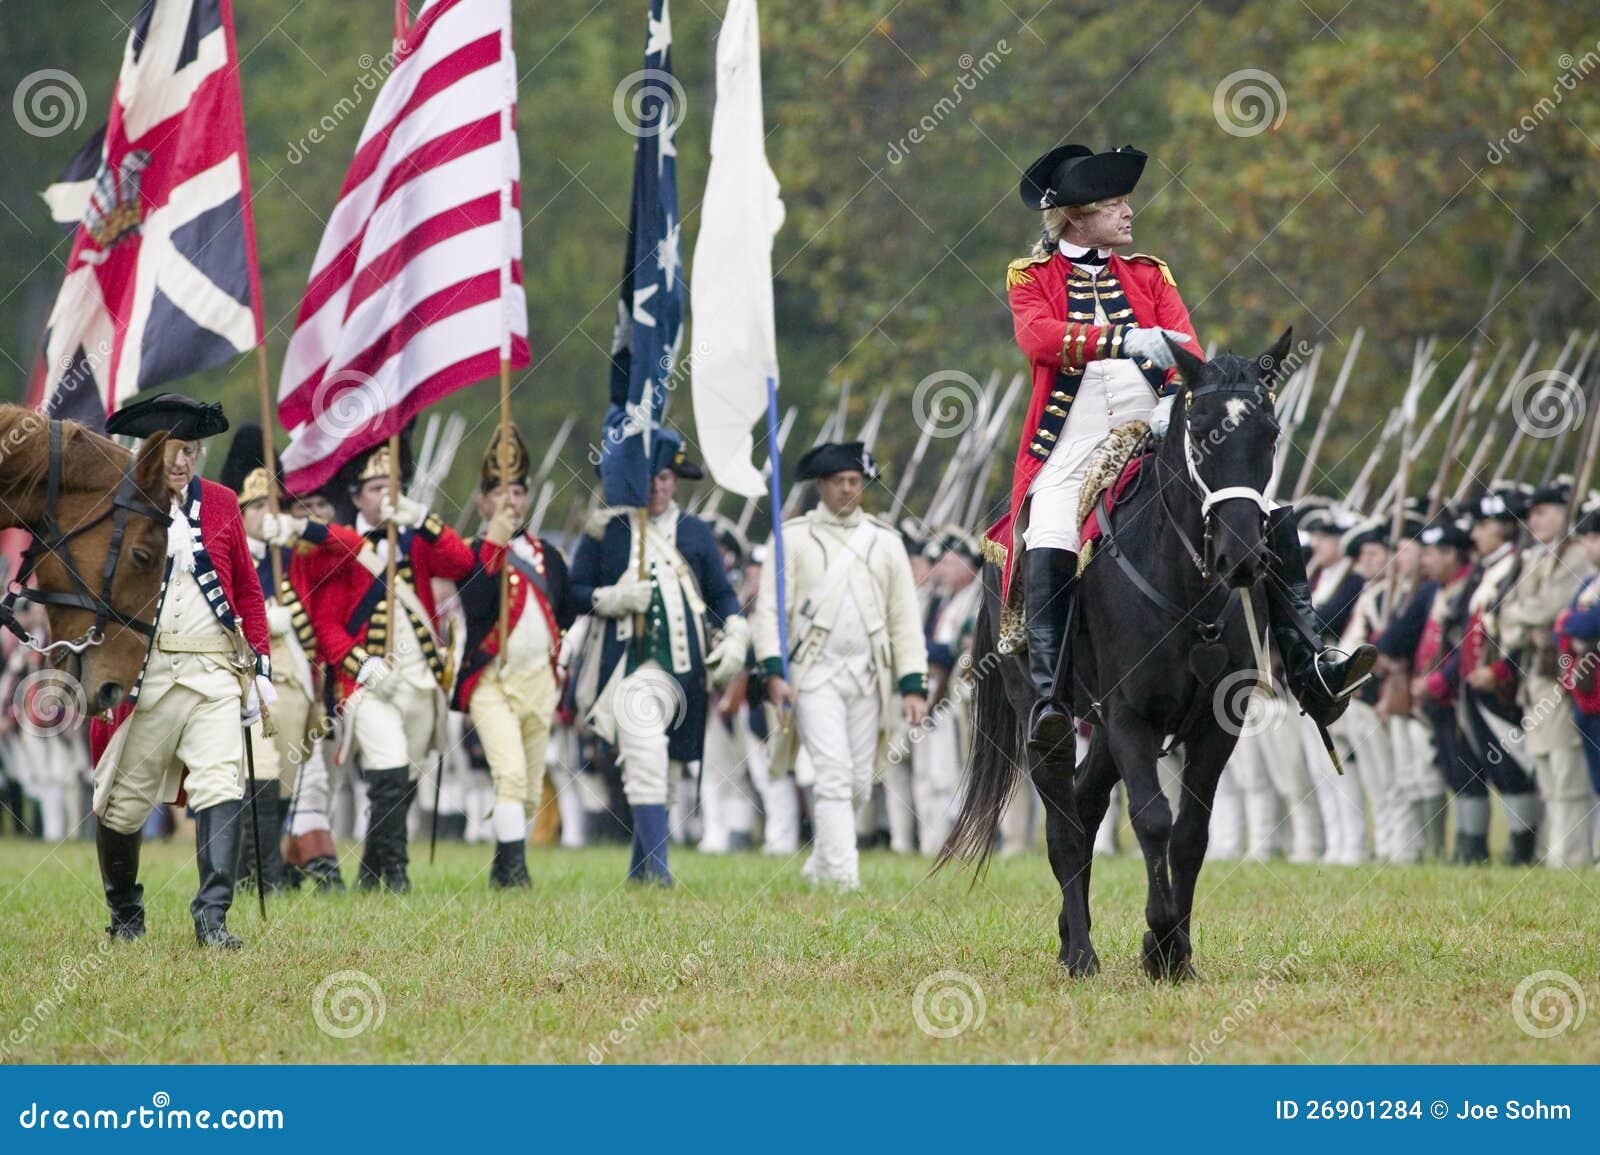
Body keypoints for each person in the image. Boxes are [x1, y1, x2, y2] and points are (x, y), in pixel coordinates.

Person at [992, 142, 1375, 763]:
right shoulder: (1032, 279)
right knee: (1053, 528)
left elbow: (1186, 350)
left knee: (1264, 508)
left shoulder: (1150, 274)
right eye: (1113, 203)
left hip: (1155, 427)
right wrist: (1125, 338)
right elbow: (1039, 340)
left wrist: (1176, 398)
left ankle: (1311, 668)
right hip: (1073, 438)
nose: (1127, 212)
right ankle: (1049, 699)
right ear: (1076, 215)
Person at [88, 394, 271, 948]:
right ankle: (125, 911)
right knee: (122, 804)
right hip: (148, 675)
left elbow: (246, 589)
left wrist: (259, 666)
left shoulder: (221, 503)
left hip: (214, 668)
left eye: (189, 450)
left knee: (221, 784)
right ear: (150, 452)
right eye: (171, 449)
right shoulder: (122, 504)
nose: (181, 461)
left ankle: (212, 919)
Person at [569, 432, 749, 886]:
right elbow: (570, 593)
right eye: (646, 476)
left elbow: (722, 594)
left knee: (664, 772)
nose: (656, 486)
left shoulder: (695, 532)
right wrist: (608, 598)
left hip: (685, 674)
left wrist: (737, 630)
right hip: (625, 671)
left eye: (665, 476)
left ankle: (640, 872)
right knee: (644, 748)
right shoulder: (605, 530)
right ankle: (662, 875)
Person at [296, 443, 475, 893]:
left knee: (402, 780)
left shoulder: (414, 538)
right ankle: (397, 875)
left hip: (419, 679)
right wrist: (361, 662)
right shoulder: (339, 545)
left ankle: (371, 875)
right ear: (356, 497)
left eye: (393, 486)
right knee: (389, 764)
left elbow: (461, 562)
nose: (386, 495)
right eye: (377, 488)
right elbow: (328, 624)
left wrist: (424, 518)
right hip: (366, 684)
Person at [754, 441, 929, 889]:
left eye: (854, 481)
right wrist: (774, 672)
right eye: (839, 482)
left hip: (869, 675)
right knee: (830, 773)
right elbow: (771, 610)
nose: (848, 490)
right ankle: (844, 876)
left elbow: (904, 617)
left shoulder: (886, 542)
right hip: (813, 673)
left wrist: (913, 683)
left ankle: (821, 863)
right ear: (822, 485)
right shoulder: (791, 537)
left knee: (857, 781)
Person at [452, 426, 577, 887]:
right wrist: (493, 545)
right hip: (492, 682)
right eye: (500, 491)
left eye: (519, 491)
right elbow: (477, 604)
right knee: (508, 773)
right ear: (484, 501)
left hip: (538, 680)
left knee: (527, 789)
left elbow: (566, 609)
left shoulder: (550, 556)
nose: (511, 500)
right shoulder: (470, 555)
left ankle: (507, 864)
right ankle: (513, 871)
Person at [1497, 479, 1595, 867]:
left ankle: (1571, 854)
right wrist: (1525, 617)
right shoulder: (1538, 557)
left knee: (1565, 766)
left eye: (1542, 512)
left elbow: (1549, 609)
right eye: (1531, 515)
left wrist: (1524, 616)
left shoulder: (1575, 557)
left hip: (1560, 671)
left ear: (1562, 512)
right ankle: (1558, 851)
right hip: (1534, 672)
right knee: (1546, 766)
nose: (1533, 521)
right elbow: (1509, 611)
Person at [1456, 485, 1542, 865]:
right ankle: (1512, 847)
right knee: (1496, 767)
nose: (1476, 534)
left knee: (1514, 768)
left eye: (1485, 525)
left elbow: (1516, 633)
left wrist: (1499, 670)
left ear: (1505, 528)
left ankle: (1524, 849)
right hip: (1479, 685)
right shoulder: (1491, 568)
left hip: (1504, 684)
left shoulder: (1518, 567)